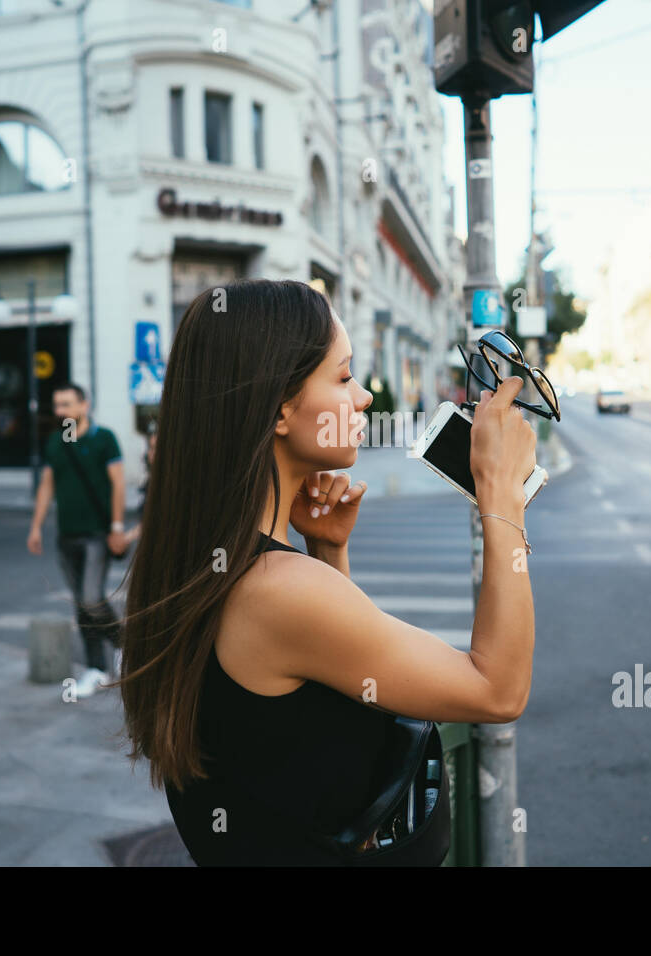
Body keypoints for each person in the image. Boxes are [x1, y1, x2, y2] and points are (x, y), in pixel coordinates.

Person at [115, 278, 537, 865]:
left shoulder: (210, 564)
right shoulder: (277, 591)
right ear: (281, 407)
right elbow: (499, 690)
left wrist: (328, 554)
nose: (364, 397)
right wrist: (501, 495)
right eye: (343, 377)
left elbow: (312, 720)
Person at [27, 383, 127, 698]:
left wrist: (117, 526)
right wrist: (36, 526)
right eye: (57, 405)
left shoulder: (104, 439)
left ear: (85, 405)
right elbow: (46, 486)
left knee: (90, 598)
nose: (61, 412)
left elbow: (119, 484)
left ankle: (127, 648)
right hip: (66, 536)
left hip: (97, 534)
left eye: (67, 404)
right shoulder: (55, 442)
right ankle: (96, 668)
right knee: (82, 607)